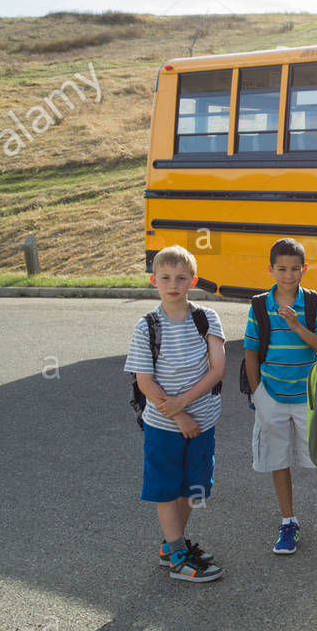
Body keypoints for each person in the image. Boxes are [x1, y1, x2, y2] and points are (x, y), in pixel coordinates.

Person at [125, 245, 226, 582]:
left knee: (192, 489)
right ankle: (178, 556)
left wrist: (185, 403)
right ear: (154, 280)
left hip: (203, 420)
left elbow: (217, 369)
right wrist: (178, 414)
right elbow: (145, 381)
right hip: (164, 425)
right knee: (168, 488)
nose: (173, 284)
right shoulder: (147, 326)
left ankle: (173, 546)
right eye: (166, 278)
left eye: (181, 278)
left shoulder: (206, 318)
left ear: (192, 281)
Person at [243, 238, 317, 554]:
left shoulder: (315, 304)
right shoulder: (260, 305)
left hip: (308, 396)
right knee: (277, 458)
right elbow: (250, 352)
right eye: (282, 269)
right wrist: (258, 393)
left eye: (295, 269)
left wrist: (297, 327)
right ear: (271, 269)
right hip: (271, 394)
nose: (288, 276)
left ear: (305, 269)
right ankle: (288, 522)